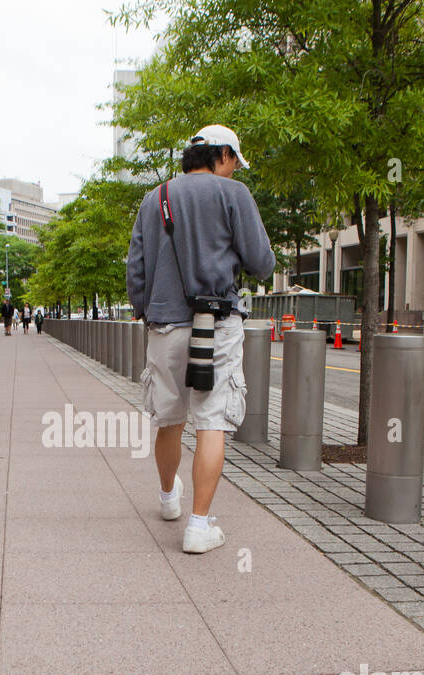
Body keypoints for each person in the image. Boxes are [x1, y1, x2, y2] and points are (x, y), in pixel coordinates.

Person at [126, 124, 274, 554]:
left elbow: (136, 269)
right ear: (223, 155)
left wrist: (147, 308)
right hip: (217, 323)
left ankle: (169, 499)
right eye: (233, 162)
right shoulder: (234, 195)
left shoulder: (155, 199)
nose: (233, 170)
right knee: (211, 420)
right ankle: (199, 525)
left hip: (164, 324)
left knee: (168, 417)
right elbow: (262, 263)